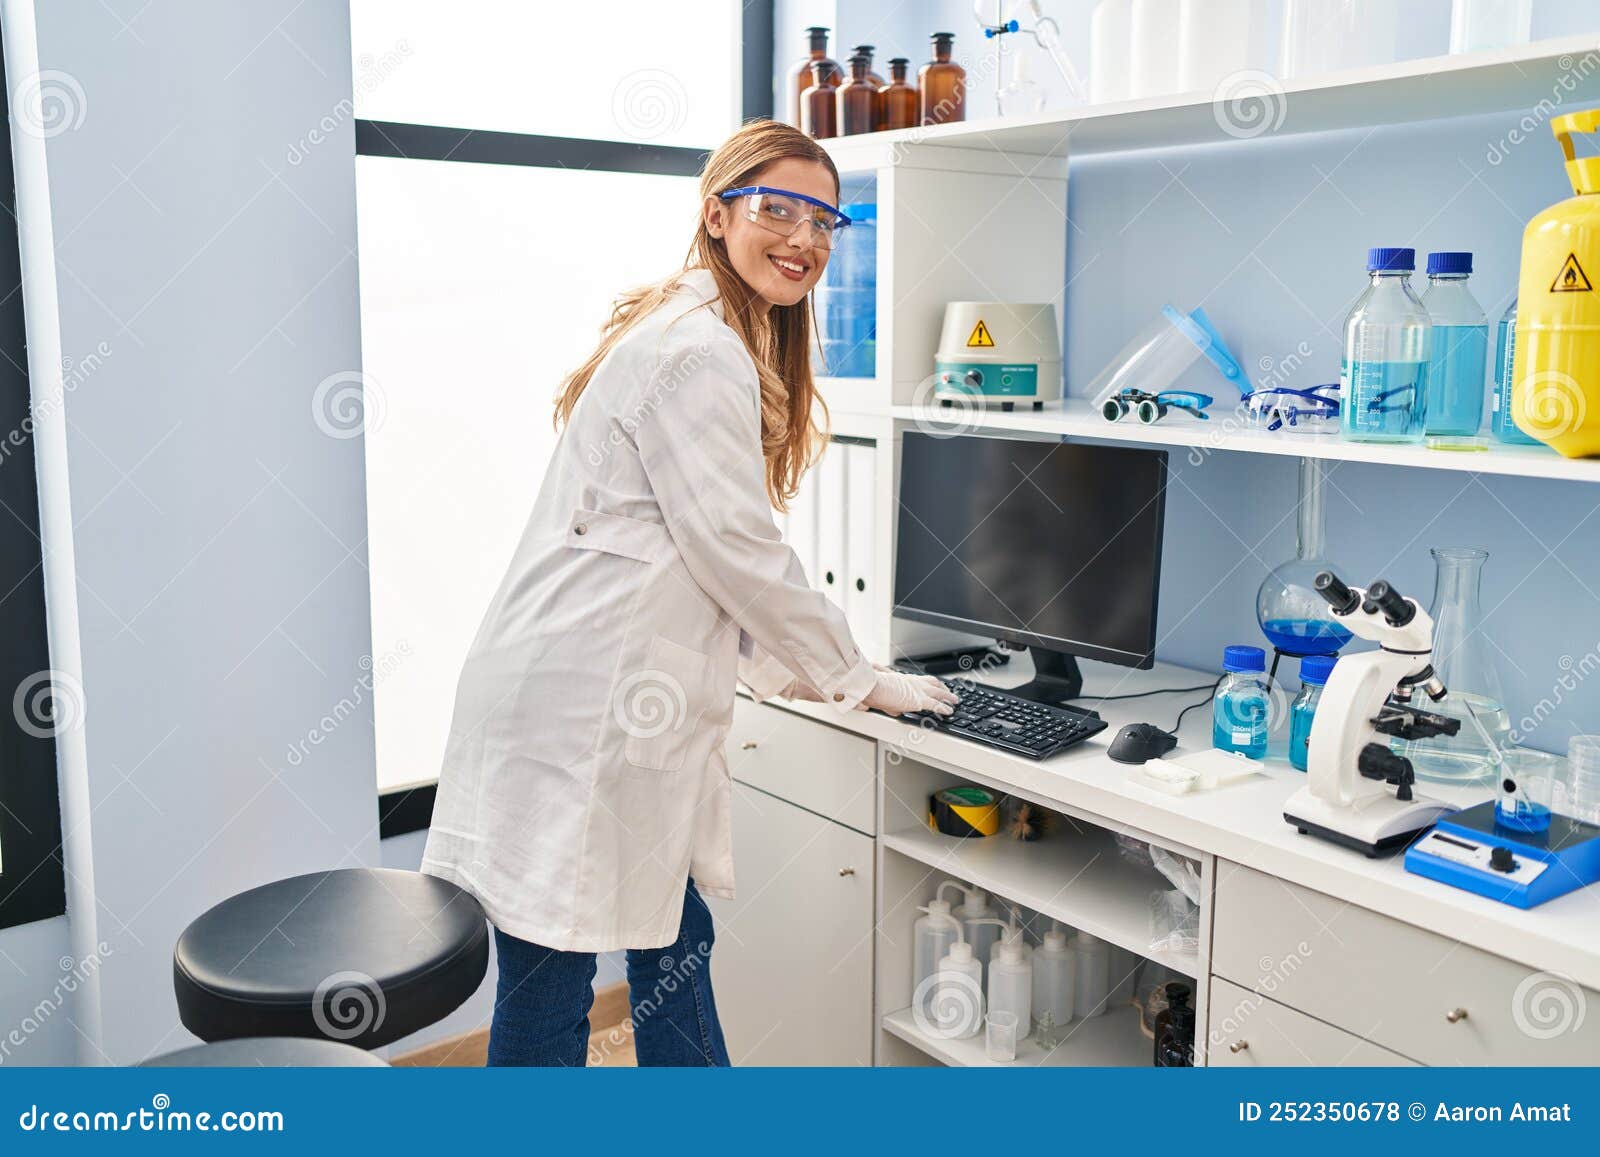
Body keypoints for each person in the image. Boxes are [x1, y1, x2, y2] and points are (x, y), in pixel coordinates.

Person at [421, 119, 956, 1067]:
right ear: (718, 214)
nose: (804, 239)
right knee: (562, 977)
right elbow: (738, 549)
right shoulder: (699, 350)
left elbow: (692, 567)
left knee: (664, 944)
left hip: (578, 695)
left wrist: (808, 674)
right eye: (776, 210)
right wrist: (854, 674)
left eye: (825, 221)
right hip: (578, 713)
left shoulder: (696, 330)